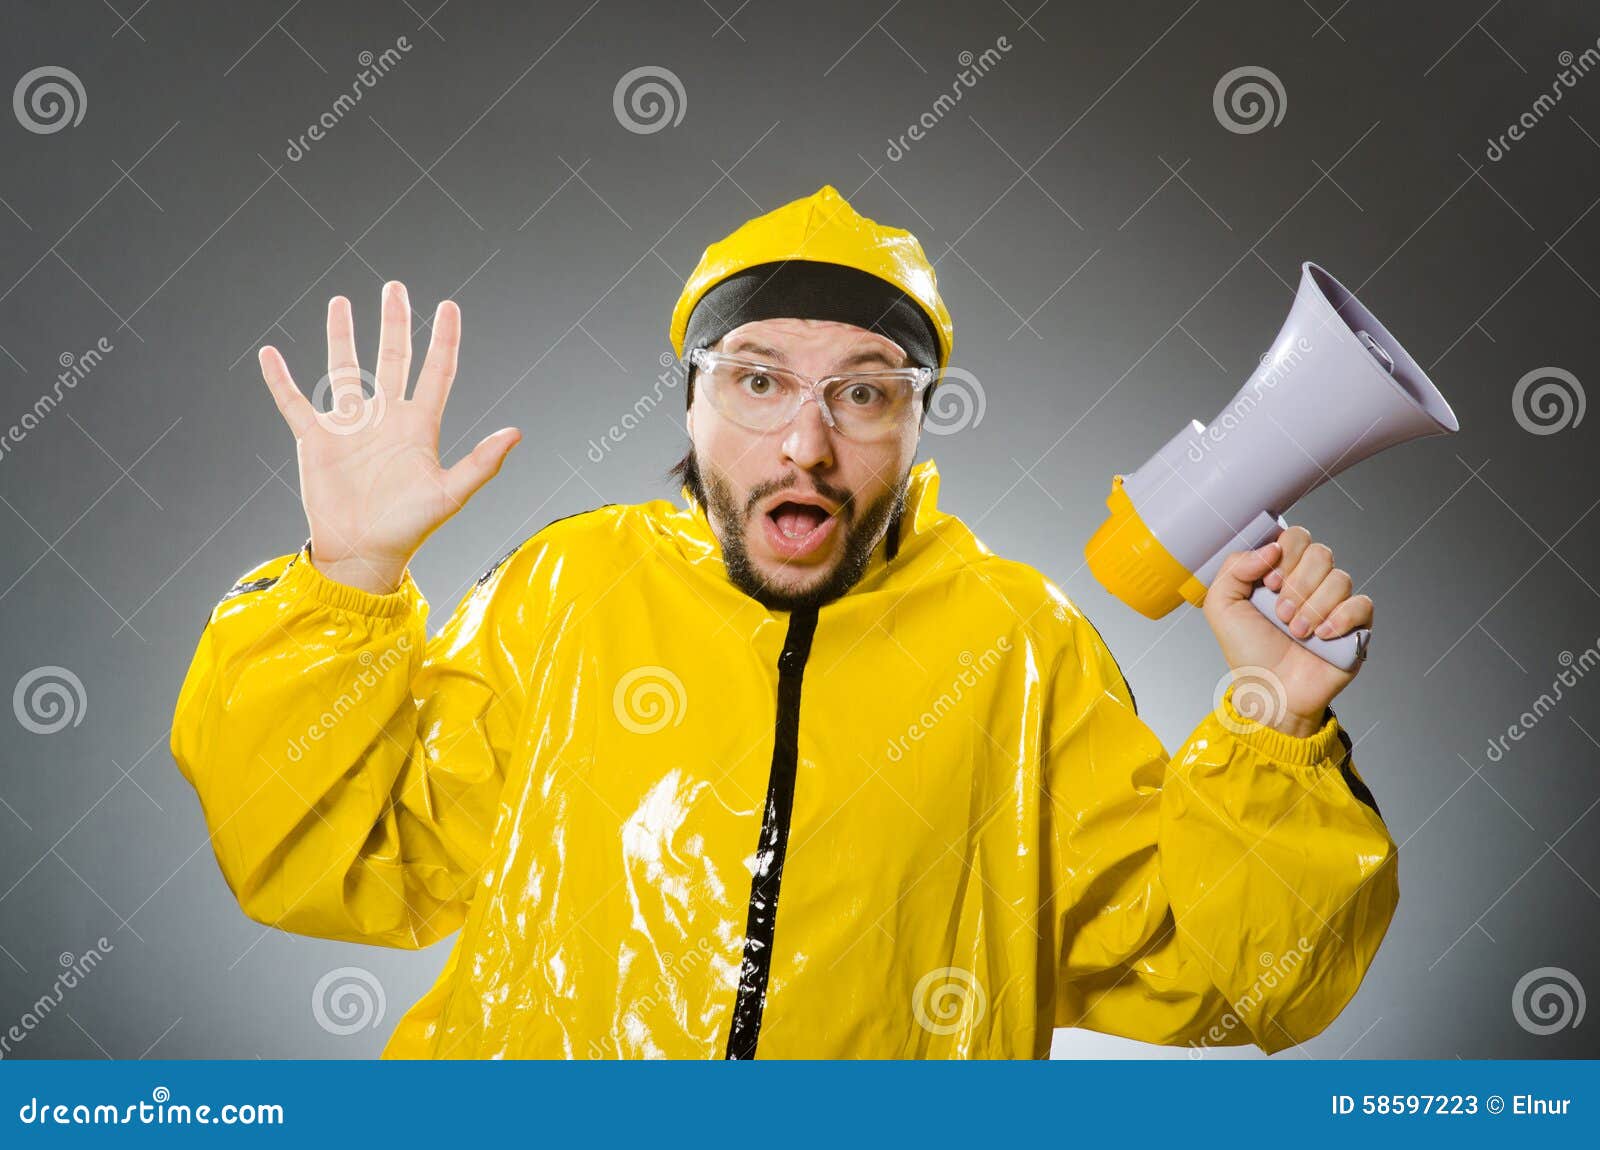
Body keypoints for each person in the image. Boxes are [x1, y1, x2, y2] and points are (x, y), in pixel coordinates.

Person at [171, 185, 1398, 1059]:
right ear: (694, 402)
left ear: (918, 422)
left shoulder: (1016, 645)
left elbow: (1240, 985)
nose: (805, 442)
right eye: (757, 379)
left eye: (864, 391)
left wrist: (1275, 727)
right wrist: (350, 572)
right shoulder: (572, 586)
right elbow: (328, 863)